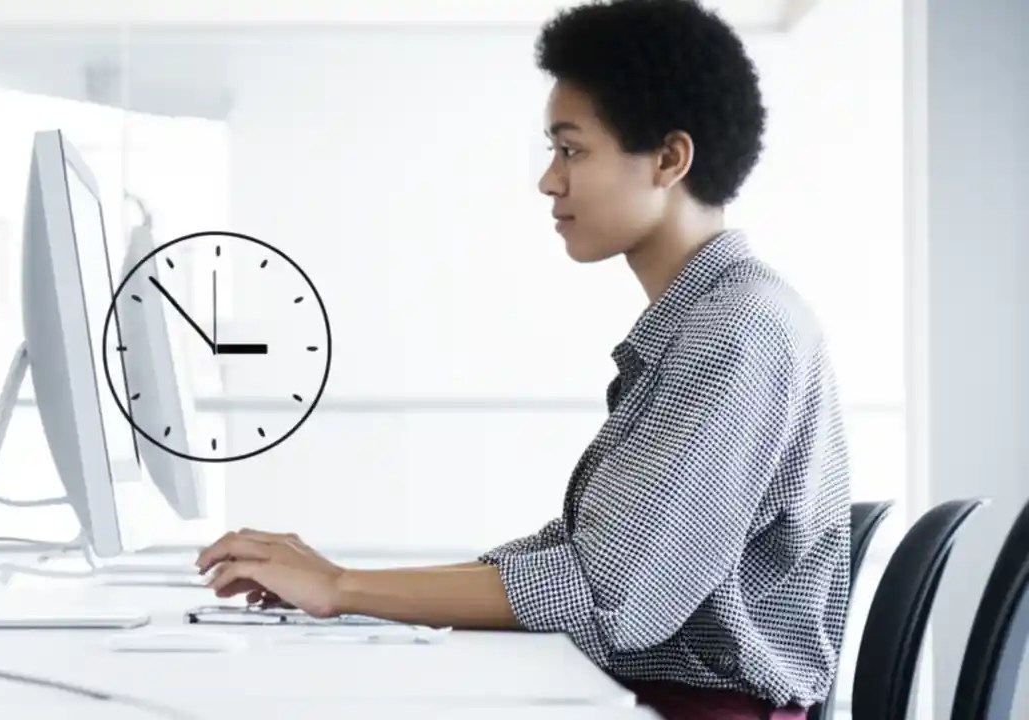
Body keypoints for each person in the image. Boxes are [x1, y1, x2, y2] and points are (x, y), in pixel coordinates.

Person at [194, 1, 850, 718]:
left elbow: (605, 595)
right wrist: (340, 583)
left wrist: (343, 587)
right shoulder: (709, 319)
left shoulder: (737, 333)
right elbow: (575, 555)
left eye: (571, 150)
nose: (549, 180)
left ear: (668, 158)